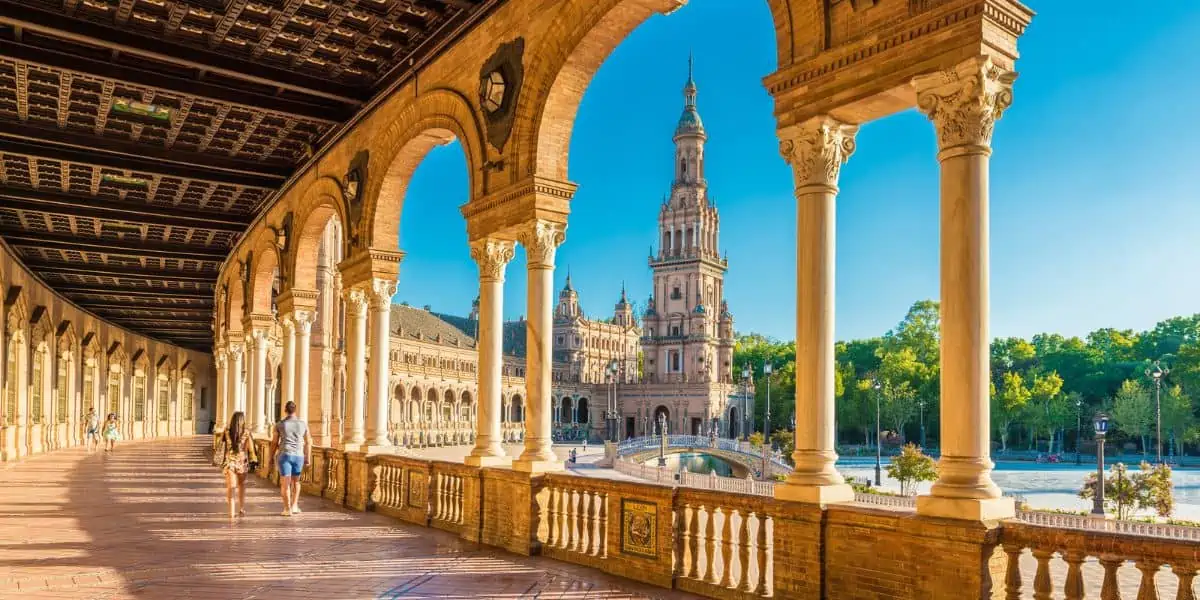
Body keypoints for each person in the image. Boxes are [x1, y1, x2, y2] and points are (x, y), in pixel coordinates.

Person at [270, 401, 311, 517]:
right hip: (299, 456)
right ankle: (295, 506)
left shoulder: (280, 424)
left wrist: (270, 457)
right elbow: (308, 442)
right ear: (295, 410)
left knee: (285, 483)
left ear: (285, 410)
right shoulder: (303, 424)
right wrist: (308, 457)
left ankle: (287, 509)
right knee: (296, 482)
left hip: (285, 455)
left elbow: (274, 443)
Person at [216, 411, 256, 519]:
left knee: (231, 487)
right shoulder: (247, 433)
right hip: (242, 462)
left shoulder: (226, 431)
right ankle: (242, 508)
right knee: (241, 486)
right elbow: (250, 449)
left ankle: (231, 512)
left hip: (230, 462)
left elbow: (220, 445)